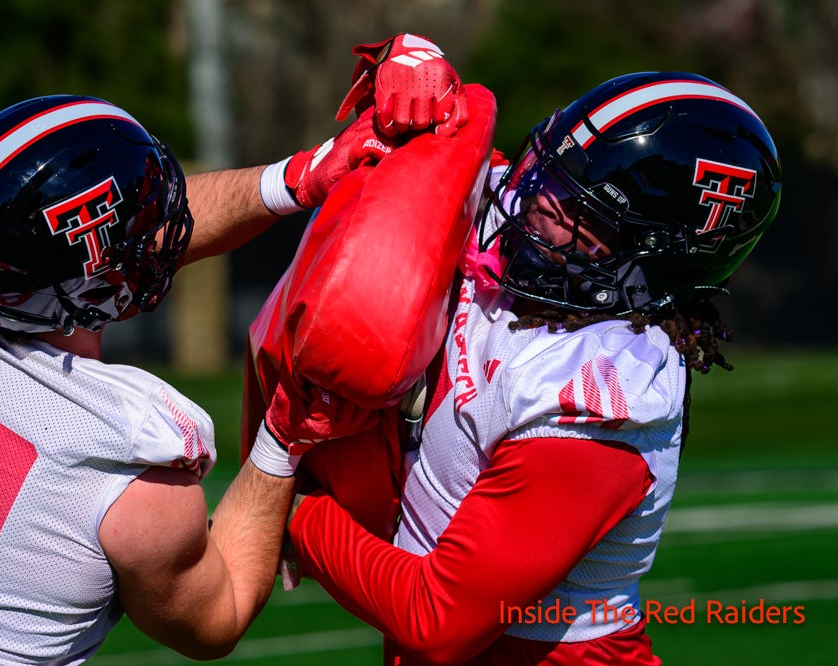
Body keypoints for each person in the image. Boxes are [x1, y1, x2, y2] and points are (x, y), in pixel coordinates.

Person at [0, 83, 435, 664]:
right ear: (97, 280)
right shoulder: (125, 466)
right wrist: (282, 439)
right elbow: (215, 620)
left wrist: (294, 180)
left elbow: (113, 252)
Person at [264, 69, 782, 665]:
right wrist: (412, 63)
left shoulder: (607, 387)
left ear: (660, 259)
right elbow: (446, 132)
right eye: (551, 177)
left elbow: (435, 618)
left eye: (583, 213)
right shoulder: (532, 226)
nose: (538, 205)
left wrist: (293, 507)